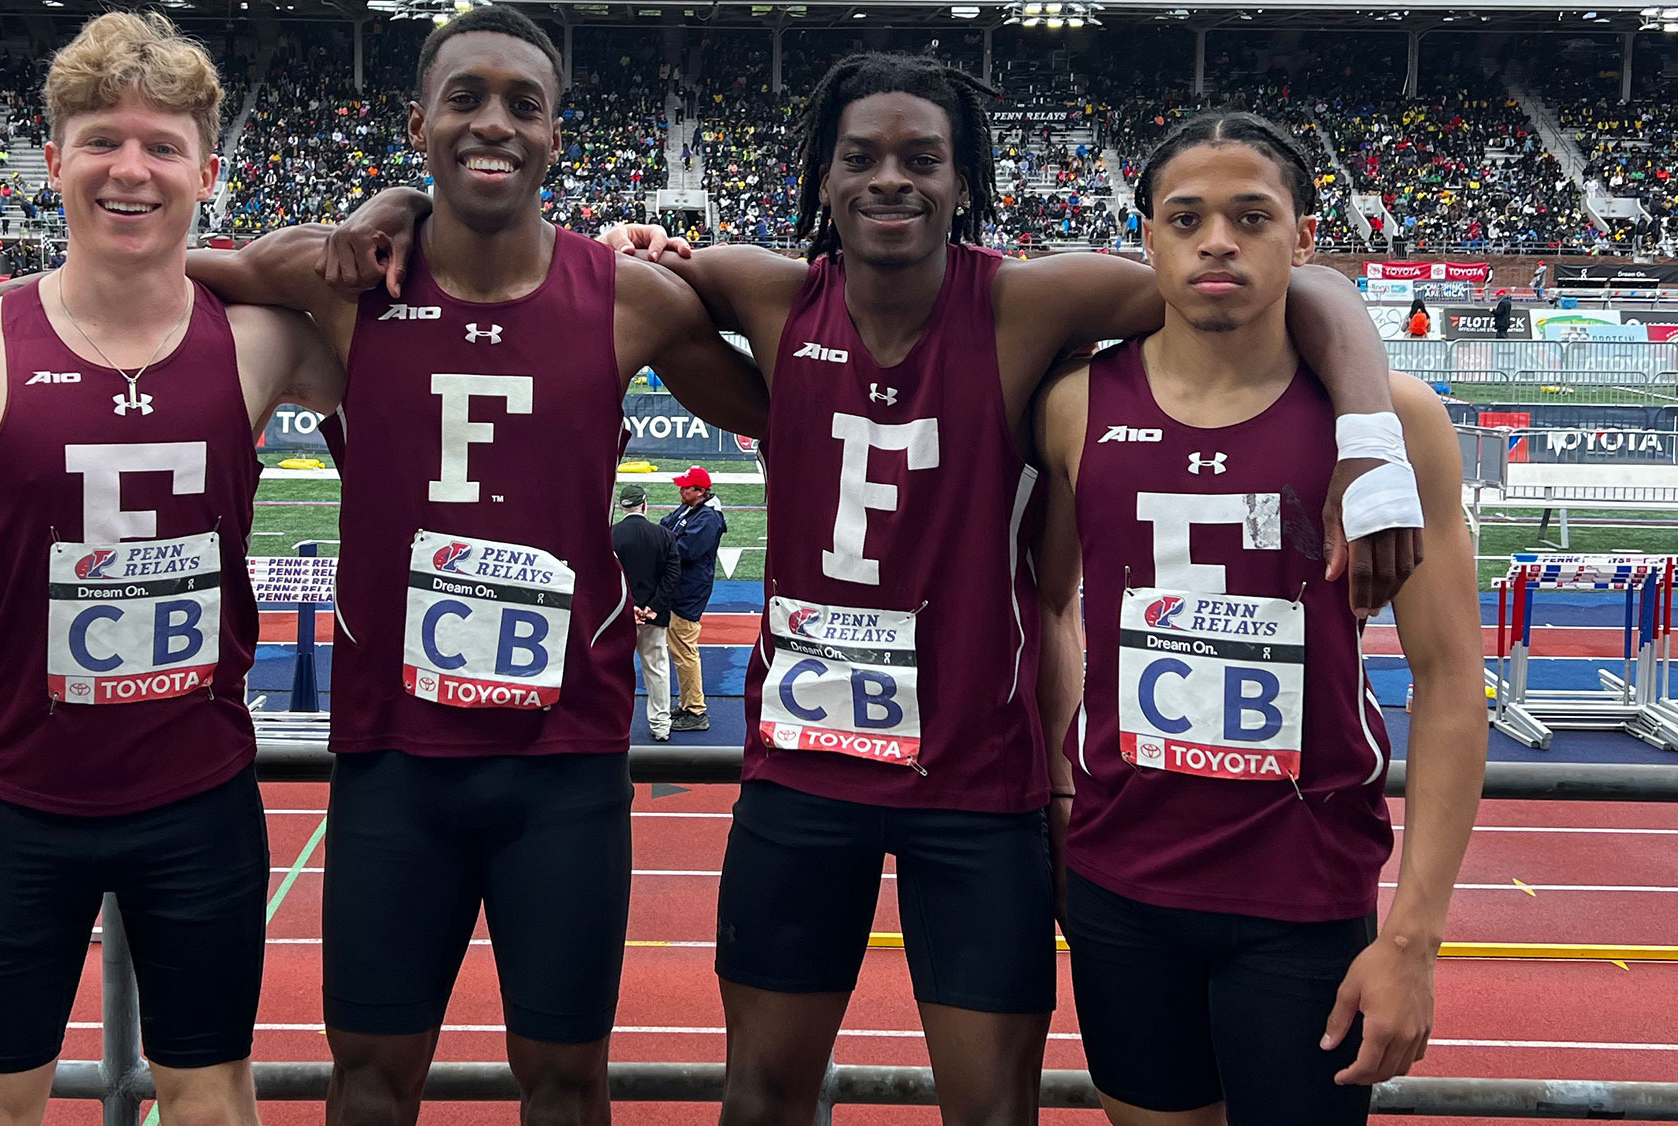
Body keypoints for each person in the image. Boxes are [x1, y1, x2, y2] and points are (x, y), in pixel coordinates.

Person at [0, 8, 769, 1124]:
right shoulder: (333, 288)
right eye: (463, 99)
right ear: (417, 124)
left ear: (556, 133)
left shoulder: (604, 298)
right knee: (335, 1080)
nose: (491, 123)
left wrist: (672, 249)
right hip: (357, 757)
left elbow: (795, 399)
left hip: (536, 759)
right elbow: (116, 270)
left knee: (543, 1080)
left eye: (522, 104)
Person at [561, 52, 1424, 1126]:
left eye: (922, 159)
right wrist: (625, 246)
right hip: (801, 774)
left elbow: (1297, 282)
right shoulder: (764, 291)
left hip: (976, 789)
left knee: (989, 1106)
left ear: (963, 179)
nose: (891, 180)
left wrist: (1368, 438)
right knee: (762, 1094)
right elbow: (611, 276)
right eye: (861, 158)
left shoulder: (1026, 301)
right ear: (820, 182)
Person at [0, 13, 348, 1126]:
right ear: (51, 160)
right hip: (20, 801)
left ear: (207, 170)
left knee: (209, 1094)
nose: (130, 168)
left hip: (200, 798)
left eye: (160, 145)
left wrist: (612, 250)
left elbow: (433, 323)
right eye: (101, 140)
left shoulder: (262, 343)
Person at [1030, 111, 1485, 1126]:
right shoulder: (1072, 406)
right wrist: (1063, 803)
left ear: (1304, 238)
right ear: (1146, 238)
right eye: (1185, 218)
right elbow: (1049, 602)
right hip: (1120, 882)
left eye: (1250, 216)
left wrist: (1411, 937)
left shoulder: (1394, 423)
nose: (1217, 241)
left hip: (1305, 891)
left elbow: (1452, 680)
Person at [611, 481, 681, 741]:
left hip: (619, 615)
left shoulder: (611, 535)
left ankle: (615, 724)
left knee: (615, 670)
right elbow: (672, 576)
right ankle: (661, 725)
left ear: (621, 506)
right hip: (654, 616)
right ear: (644, 505)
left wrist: (630, 607)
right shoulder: (664, 535)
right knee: (658, 670)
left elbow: (607, 577)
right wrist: (652, 607)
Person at [659, 464, 725, 732]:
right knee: (679, 649)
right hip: (680, 586)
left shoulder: (708, 519)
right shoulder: (691, 510)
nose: (680, 489)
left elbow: (686, 550)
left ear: (699, 491)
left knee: (684, 650)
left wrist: (666, 542)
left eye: (685, 487)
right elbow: (666, 527)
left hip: (689, 590)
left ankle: (696, 711)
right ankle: (687, 704)